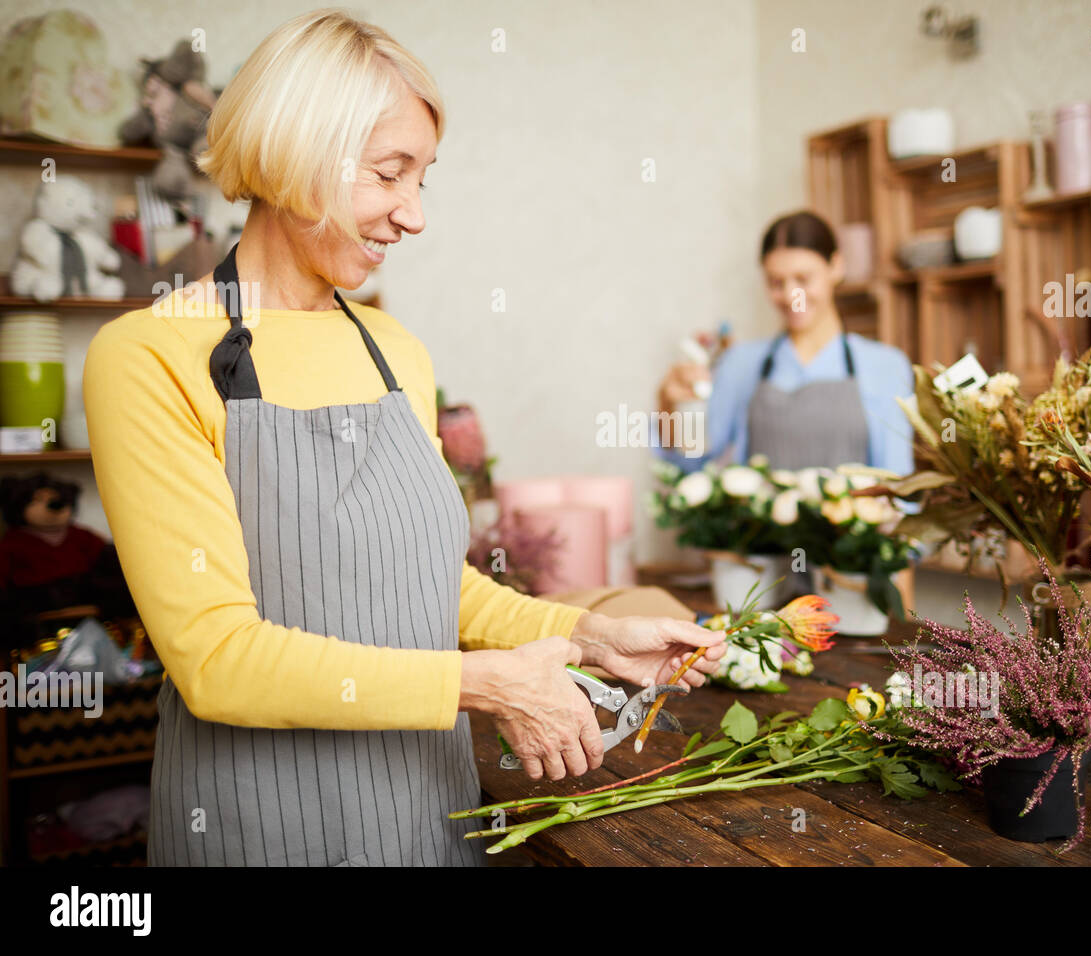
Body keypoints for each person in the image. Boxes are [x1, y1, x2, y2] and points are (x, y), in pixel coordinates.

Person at [83, 10, 723, 867]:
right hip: (260, 829)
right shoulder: (149, 357)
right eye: (390, 175)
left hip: (429, 817)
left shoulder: (398, 354)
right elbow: (217, 660)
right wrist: (487, 686)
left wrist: (589, 638)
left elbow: (424, 588)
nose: (413, 216)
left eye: (424, 179)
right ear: (295, 152)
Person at [654, 210, 913, 475]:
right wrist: (667, 407)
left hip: (857, 518)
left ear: (836, 267)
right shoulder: (741, 362)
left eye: (803, 279)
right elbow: (692, 460)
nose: (791, 296)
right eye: (776, 282)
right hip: (754, 518)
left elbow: (898, 487)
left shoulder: (886, 366)